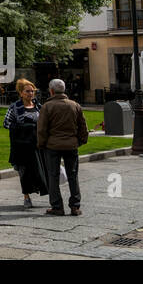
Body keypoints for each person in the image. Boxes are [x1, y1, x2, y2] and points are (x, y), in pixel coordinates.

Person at [37, 77, 89, 216]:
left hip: (53, 145)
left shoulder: (47, 107)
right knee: (73, 175)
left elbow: (41, 129)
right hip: (71, 145)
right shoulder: (74, 105)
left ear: (51, 91)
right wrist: (81, 141)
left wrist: (41, 144)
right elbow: (83, 126)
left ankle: (57, 206)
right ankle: (75, 206)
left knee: (53, 176)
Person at [3, 78, 48, 207]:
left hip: (38, 144)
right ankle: (26, 197)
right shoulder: (15, 107)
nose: (30, 93)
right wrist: (23, 127)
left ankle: (48, 192)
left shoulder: (39, 106)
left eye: (32, 91)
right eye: (27, 91)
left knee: (42, 170)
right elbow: (6, 123)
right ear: (21, 93)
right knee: (24, 172)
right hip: (22, 146)